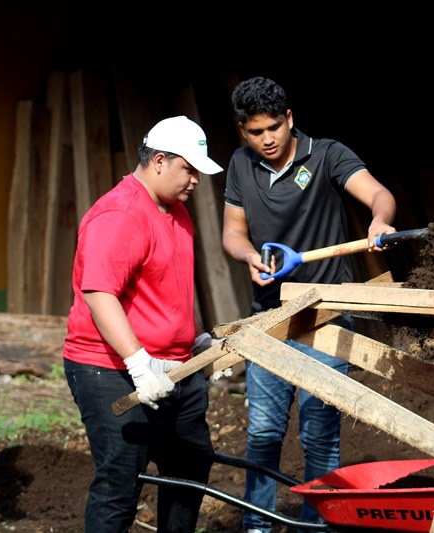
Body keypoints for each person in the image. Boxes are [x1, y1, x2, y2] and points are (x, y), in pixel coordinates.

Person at [221, 76, 397, 533]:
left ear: (290, 119)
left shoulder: (327, 155)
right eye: (257, 132)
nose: (268, 139)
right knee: (263, 433)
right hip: (268, 317)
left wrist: (379, 221)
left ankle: (317, 527)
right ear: (243, 130)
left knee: (320, 435)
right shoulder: (241, 164)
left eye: (274, 128)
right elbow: (233, 233)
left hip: (327, 316)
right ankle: (257, 524)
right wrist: (247, 256)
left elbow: (380, 194)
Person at [63, 115, 223, 532]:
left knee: (191, 463)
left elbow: (170, 287)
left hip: (174, 366)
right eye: (188, 169)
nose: (195, 181)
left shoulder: (176, 211)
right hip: (109, 367)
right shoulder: (120, 214)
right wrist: (137, 362)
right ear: (158, 161)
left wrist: (196, 338)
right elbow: (99, 294)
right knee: (120, 481)